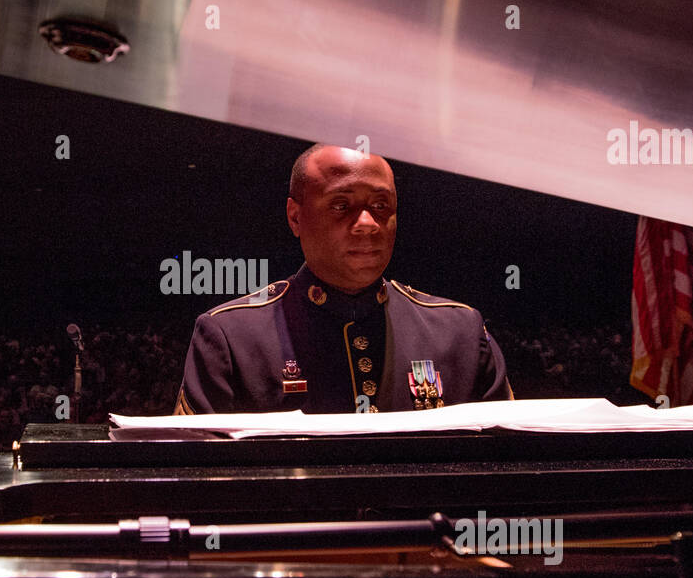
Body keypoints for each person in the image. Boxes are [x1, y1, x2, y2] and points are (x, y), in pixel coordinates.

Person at [175, 144, 511, 414]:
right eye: (341, 205)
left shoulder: (460, 330)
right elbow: (199, 485)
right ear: (295, 217)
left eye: (381, 205)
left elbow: (508, 469)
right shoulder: (231, 336)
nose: (367, 222)